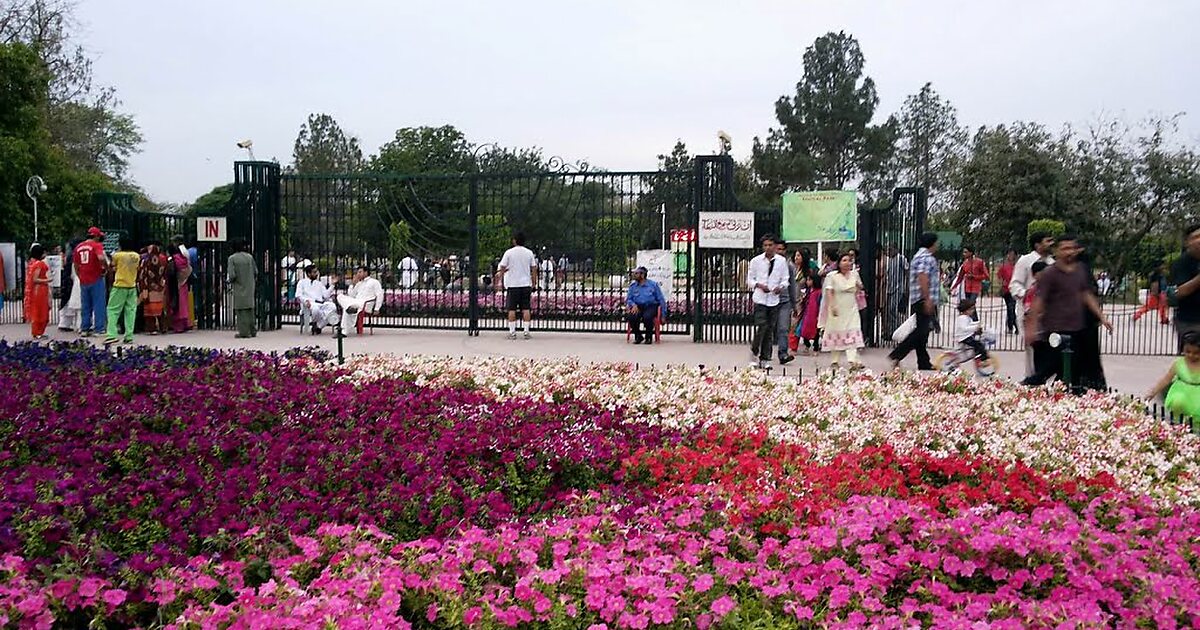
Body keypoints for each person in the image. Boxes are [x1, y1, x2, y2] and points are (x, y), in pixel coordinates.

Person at [1020, 236, 1113, 388]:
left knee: (1073, 371)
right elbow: (1039, 301)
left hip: (1077, 329)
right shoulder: (1050, 273)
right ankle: (1028, 387)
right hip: (1055, 331)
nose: (1069, 252)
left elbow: (1086, 294)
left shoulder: (1081, 270)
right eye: (1064, 248)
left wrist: (1102, 317)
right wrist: (1031, 328)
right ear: (1057, 251)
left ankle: (1063, 395)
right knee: (1049, 368)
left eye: (1071, 248)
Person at [889, 232, 941, 371]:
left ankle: (923, 362)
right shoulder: (926, 258)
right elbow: (922, 277)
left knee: (922, 332)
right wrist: (927, 298)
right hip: (923, 298)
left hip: (919, 298)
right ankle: (897, 354)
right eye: (936, 242)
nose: (937, 245)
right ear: (931, 243)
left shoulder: (920, 256)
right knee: (921, 331)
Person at [1010, 232, 1055, 377]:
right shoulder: (1025, 261)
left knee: (1049, 345)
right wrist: (1030, 295)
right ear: (1037, 244)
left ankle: (1044, 378)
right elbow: (1014, 285)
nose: (1051, 244)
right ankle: (1032, 378)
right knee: (1032, 346)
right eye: (1048, 241)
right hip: (1029, 312)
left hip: (1048, 313)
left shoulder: (1052, 263)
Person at [747, 234, 790, 368]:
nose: (768, 248)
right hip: (760, 299)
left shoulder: (781, 261)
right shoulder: (756, 261)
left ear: (775, 246)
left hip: (773, 300)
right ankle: (754, 353)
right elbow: (750, 280)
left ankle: (765, 358)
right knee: (762, 327)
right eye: (765, 245)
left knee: (770, 330)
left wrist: (780, 287)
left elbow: (785, 280)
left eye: (770, 245)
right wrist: (759, 285)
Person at [820, 252, 865, 370]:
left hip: (851, 308)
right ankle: (835, 360)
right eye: (844, 260)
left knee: (853, 330)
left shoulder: (854, 274)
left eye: (849, 260)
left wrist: (858, 285)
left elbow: (860, 288)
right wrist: (832, 306)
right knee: (837, 331)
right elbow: (829, 291)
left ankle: (853, 360)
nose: (847, 263)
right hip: (837, 308)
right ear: (839, 263)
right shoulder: (832, 276)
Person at [1146, 332, 1200, 421]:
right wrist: (1153, 392)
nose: (1191, 355)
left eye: (1196, 353)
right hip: (1182, 392)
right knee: (1178, 402)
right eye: (1188, 352)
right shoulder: (1179, 364)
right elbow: (1166, 379)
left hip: (1197, 395)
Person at [497, 233, 538, 340]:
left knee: (512, 309)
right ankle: (526, 332)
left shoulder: (509, 252)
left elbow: (502, 266)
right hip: (525, 284)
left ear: (514, 241)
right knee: (526, 308)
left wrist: (500, 278)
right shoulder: (529, 253)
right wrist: (534, 283)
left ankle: (512, 332)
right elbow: (534, 268)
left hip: (513, 284)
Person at [104, 236, 141, 345]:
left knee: (113, 310)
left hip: (120, 285)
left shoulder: (117, 255)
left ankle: (111, 335)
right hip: (132, 285)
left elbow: (112, 266)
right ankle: (129, 336)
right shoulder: (136, 256)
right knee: (130, 311)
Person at [73, 227, 109, 337]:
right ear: (96, 236)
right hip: (96, 277)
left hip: (84, 279)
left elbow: (76, 265)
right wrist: (105, 267)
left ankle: (85, 328)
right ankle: (99, 328)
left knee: (86, 305)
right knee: (99, 304)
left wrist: (79, 275)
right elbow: (101, 258)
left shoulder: (78, 247)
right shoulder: (96, 245)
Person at [1170, 224, 1200, 352]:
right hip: (1190, 321)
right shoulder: (1181, 263)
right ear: (1187, 242)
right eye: (1196, 237)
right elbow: (1180, 292)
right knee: (1191, 359)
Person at [336, 266, 384, 336]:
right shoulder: (359, 283)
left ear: (366, 272)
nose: (358, 274)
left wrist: (377, 308)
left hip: (365, 304)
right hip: (355, 302)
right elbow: (351, 295)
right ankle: (350, 309)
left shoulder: (374, 282)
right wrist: (353, 285)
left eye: (360, 272)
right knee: (340, 296)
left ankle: (343, 331)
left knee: (347, 307)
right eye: (357, 272)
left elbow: (379, 295)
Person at [625, 266, 667, 345]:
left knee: (647, 317)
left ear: (642, 275)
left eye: (636, 273)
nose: (634, 275)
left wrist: (663, 315)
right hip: (638, 306)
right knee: (631, 317)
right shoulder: (633, 286)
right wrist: (633, 305)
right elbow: (628, 299)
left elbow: (661, 300)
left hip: (651, 306)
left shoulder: (653, 285)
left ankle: (648, 337)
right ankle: (638, 336)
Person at [227, 239, 259, 338]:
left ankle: (244, 332)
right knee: (250, 308)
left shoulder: (232, 258)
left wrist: (231, 281)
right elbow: (256, 271)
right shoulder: (249, 257)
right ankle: (252, 330)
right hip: (250, 285)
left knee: (241, 310)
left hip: (239, 286)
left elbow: (232, 275)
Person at [774, 242, 799, 365]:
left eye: (782, 249)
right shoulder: (767, 264)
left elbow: (792, 286)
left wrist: (794, 304)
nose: (780, 251)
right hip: (769, 301)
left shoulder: (789, 266)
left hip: (784, 302)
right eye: (778, 249)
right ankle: (764, 353)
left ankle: (783, 353)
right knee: (767, 328)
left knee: (783, 328)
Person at [138, 243, 169, 334]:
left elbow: (143, 274)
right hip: (160, 287)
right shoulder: (163, 259)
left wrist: (142, 286)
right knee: (161, 308)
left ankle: (152, 328)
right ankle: (163, 327)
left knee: (149, 309)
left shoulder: (146, 260)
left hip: (149, 288)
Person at [297, 264, 337, 335]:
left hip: (320, 303)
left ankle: (319, 326)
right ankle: (317, 323)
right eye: (314, 272)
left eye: (316, 272)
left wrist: (332, 285)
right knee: (316, 309)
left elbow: (326, 295)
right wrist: (305, 301)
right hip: (309, 304)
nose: (317, 274)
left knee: (332, 307)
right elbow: (298, 295)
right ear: (309, 274)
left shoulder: (319, 283)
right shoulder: (302, 282)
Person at [24, 244, 51, 339]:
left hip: (37, 290)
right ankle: (38, 332)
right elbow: (35, 279)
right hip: (40, 289)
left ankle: (37, 332)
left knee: (37, 310)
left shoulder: (32, 263)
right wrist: (47, 280)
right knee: (41, 310)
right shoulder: (39, 264)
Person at [883, 244, 909, 340]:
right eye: (888, 250)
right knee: (888, 311)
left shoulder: (901, 259)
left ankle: (897, 330)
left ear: (896, 249)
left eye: (890, 249)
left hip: (898, 288)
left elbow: (907, 273)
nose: (889, 251)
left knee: (892, 309)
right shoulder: (888, 260)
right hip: (888, 288)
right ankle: (891, 330)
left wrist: (906, 287)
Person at [1133, 261, 1170, 325]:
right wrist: (1158, 293)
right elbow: (1156, 285)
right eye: (1163, 266)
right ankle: (1137, 315)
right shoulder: (1158, 276)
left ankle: (1163, 319)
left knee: (1161, 306)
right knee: (1150, 306)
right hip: (1158, 293)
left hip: (1158, 293)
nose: (1164, 267)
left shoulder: (1157, 275)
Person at [58, 237, 83, 332]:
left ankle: (64, 323)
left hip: (69, 282)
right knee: (79, 305)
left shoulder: (69, 256)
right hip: (75, 282)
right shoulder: (76, 256)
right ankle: (79, 325)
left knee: (68, 303)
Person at [954, 299, 990, 363]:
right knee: (978, 345)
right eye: (971, 309)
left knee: (977, 343)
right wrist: (975, 327)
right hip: (964, 337)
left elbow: (971, 324)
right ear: (966, 310)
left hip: (967, 336)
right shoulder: (962, 318)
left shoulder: (967, 317)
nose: (973, 311)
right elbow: (964, 328)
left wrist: (978, 323)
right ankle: (981, 357)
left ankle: (977, 355)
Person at [168, 242, 192, 333]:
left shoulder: (172, 259)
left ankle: (178, 326)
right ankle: (185, 323)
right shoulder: (184, 259)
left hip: (175, 284)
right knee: (184, 303)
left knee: (176, 304)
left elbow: (170, 271)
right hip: (184, 283)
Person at [998, 250, 1018, 334]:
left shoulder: (1017, 267)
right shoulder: (1004, 266)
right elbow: (999, 276)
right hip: (1006, 290)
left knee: (1011, 308)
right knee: (1010, 308)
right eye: (1009, 254)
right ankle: (1015, 326)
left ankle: (1012, 326)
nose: (1010, 256)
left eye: (1012, 254)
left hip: (1014, 289)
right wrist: (1002, 283)